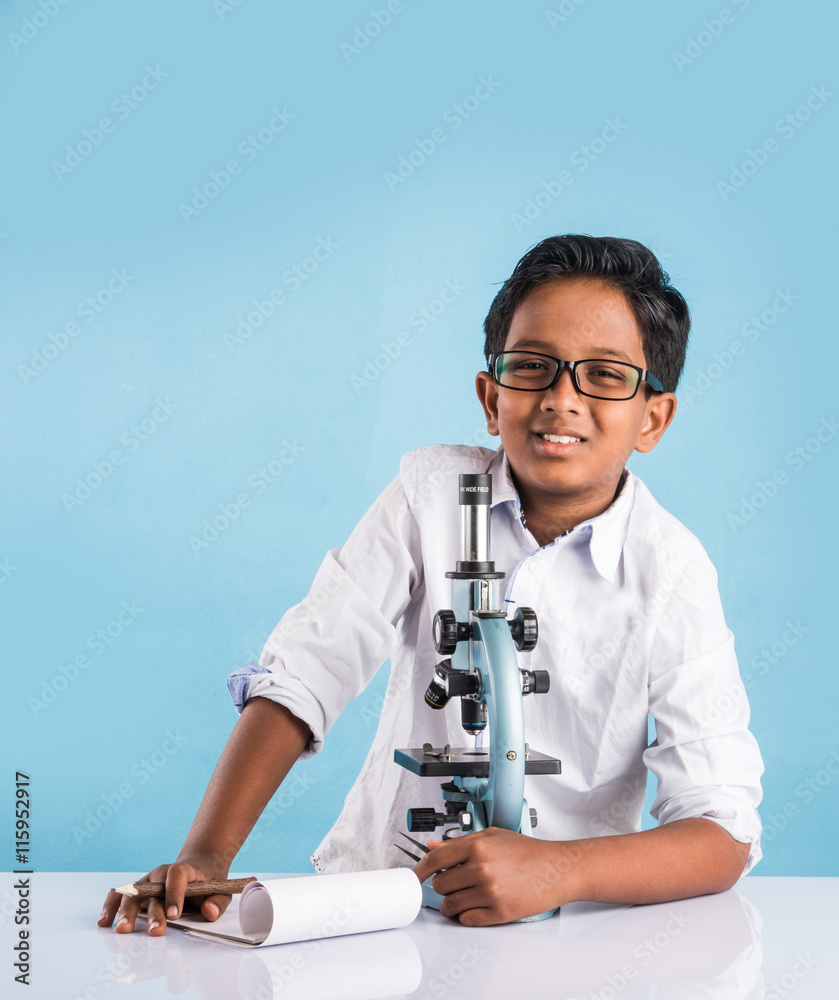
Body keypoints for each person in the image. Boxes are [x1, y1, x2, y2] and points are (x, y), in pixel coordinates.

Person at [98, 234, 763, 934]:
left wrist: (559, 868)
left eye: (603, 376)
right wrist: (204, 855)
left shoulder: (672, 570)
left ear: (652, 417)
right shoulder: (430, 494)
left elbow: (723, 831)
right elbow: (307, 671)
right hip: (378, 908)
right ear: (489, 395)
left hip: (569, 932)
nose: (560, 399)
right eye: (531, 367)